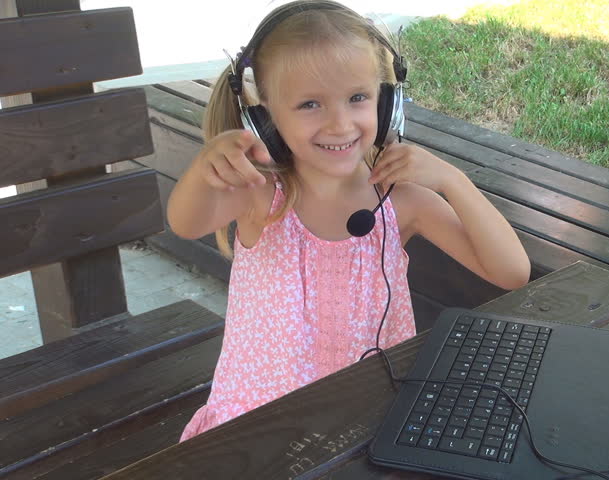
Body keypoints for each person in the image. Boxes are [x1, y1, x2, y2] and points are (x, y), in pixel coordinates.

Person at [168, 0, 530, 442]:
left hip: (364, 419)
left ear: (386, 103)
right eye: (309, 104)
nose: (339, 125)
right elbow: (187, 224)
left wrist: (454, 181)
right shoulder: (261, 195)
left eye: (357, 98)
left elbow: (511, 272)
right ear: (265, 118)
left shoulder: (400, 202)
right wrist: (204, 169)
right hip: (259, 427)